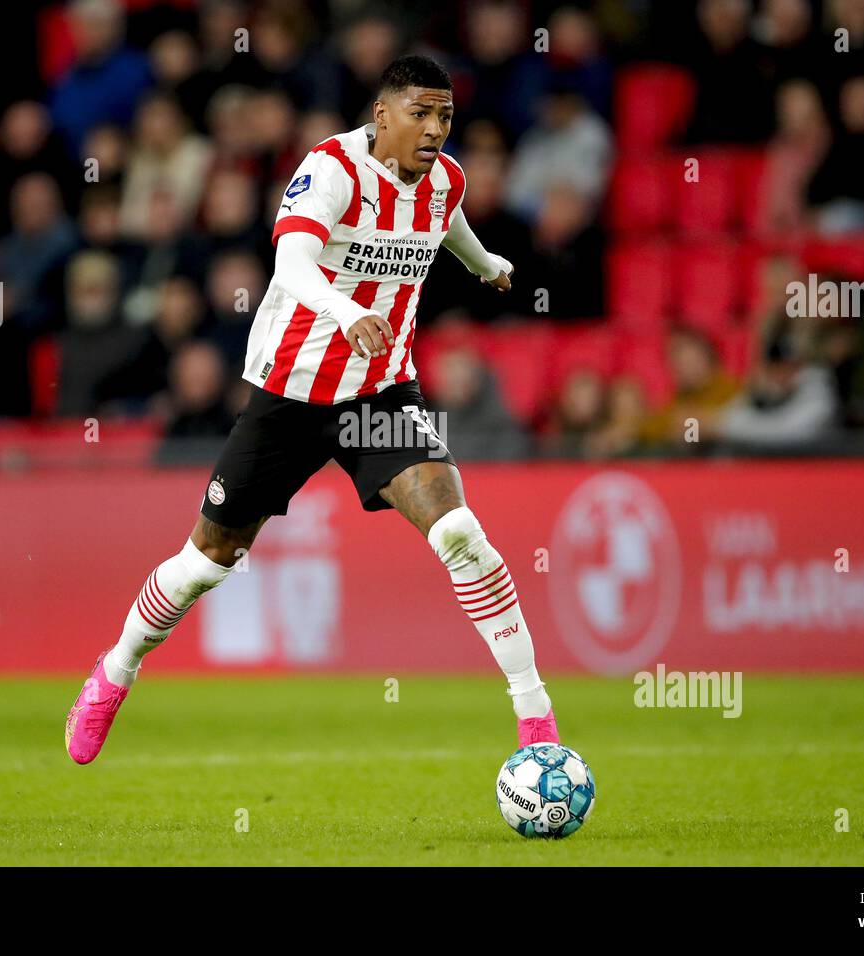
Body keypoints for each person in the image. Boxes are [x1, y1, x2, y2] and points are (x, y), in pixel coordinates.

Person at [65, 55, 561, 763]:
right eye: (420, 113)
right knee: (207, 561)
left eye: (445, 116)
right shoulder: (330, 170)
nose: (435, 129)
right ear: (382, 114)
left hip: (380, 392)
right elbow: (292, 264)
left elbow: (445, 224)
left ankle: (535, 717)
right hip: (291, 393)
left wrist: (484, 264)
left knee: (459, 530)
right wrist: (345, 308)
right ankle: (115, 673)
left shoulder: (447, 180)